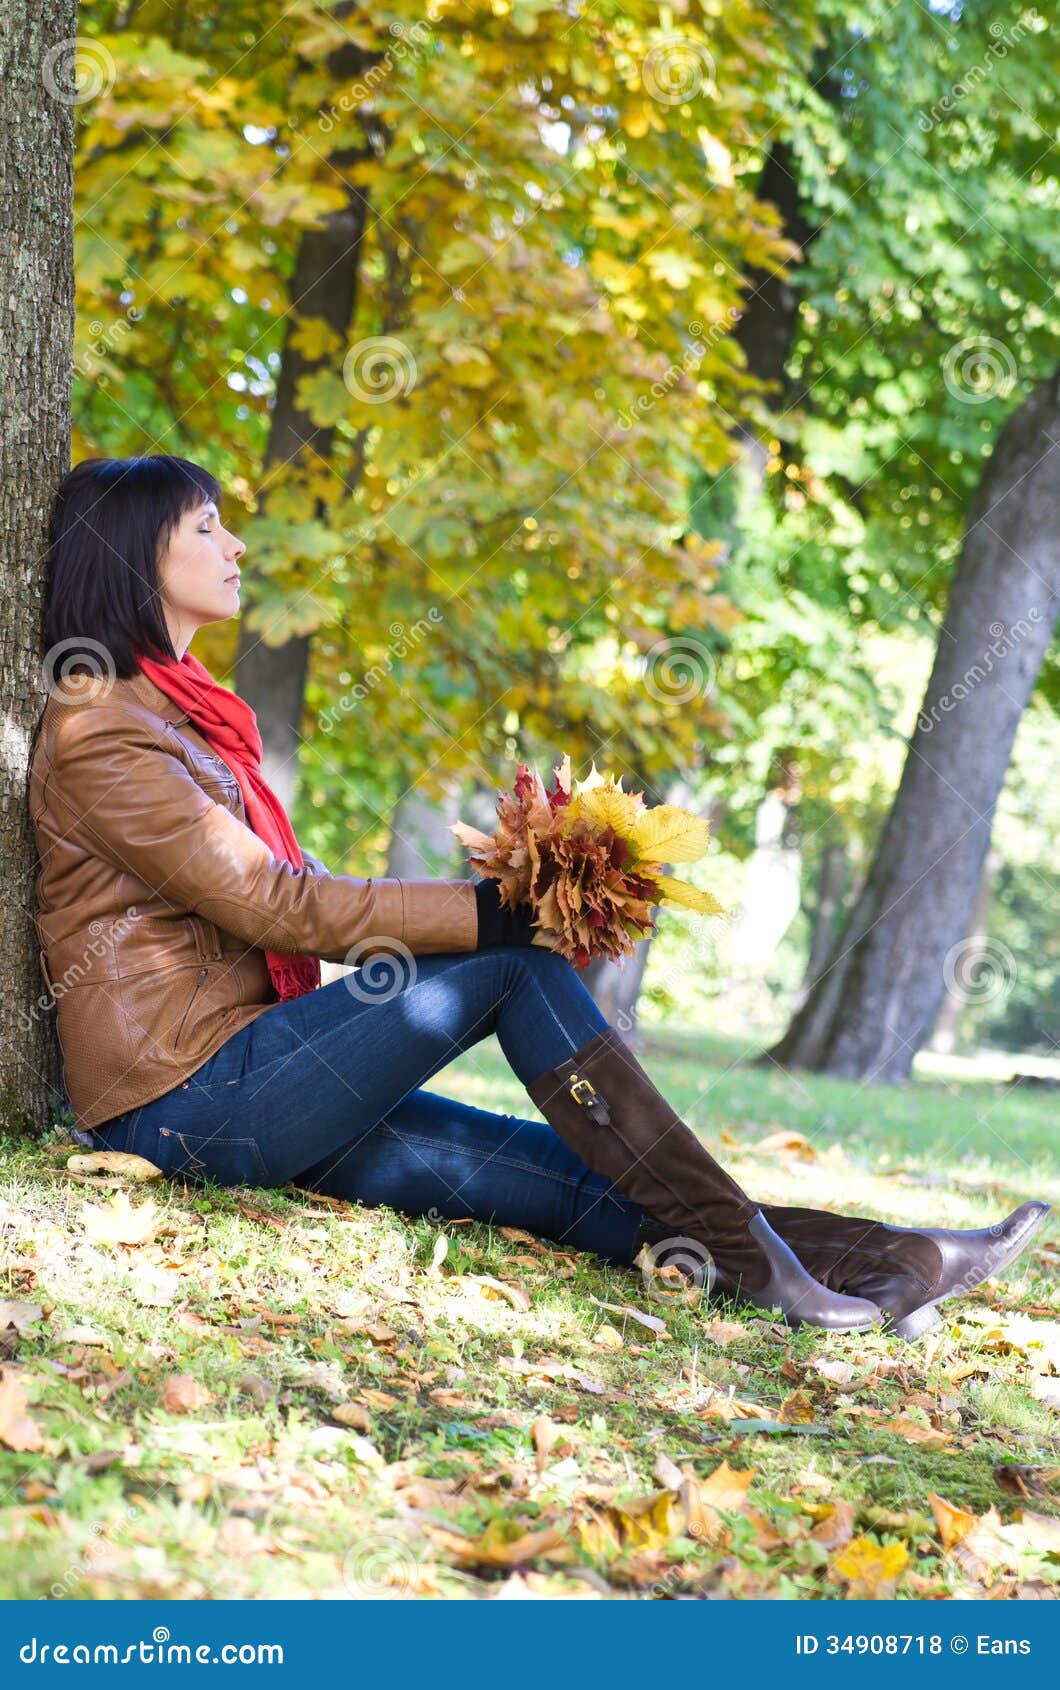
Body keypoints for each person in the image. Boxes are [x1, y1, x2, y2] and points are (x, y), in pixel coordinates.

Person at [29, 454, 1049, 1340]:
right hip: (184, 1101)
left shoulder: (180, 721)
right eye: (206, 527)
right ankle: (769, 1265)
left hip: (246, 1077)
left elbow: (274, 899)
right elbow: (279, 906)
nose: (237, 544)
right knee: (514, 966)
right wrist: (494, 912)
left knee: (555, 1174)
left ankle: (883, 1261)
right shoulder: (103, 730)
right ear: (135, 558)